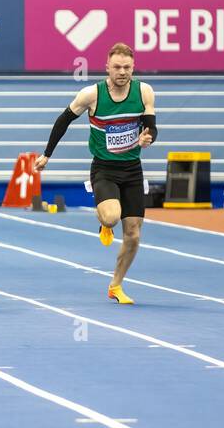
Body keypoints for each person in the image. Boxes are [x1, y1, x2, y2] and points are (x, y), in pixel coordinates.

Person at [35, 42, 156, 304]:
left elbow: (151, 128)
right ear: (107, 68)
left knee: (134, 234)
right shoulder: (92, 94)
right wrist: (47, 154)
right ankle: (104, 221)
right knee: (112, 218)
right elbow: (64, 119)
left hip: (133, 169)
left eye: (127, 67)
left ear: (133, 68)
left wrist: (148, 138)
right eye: (117, 67)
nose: (122, 72)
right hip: (104, 169)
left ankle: (116, 284)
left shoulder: (144, 91)